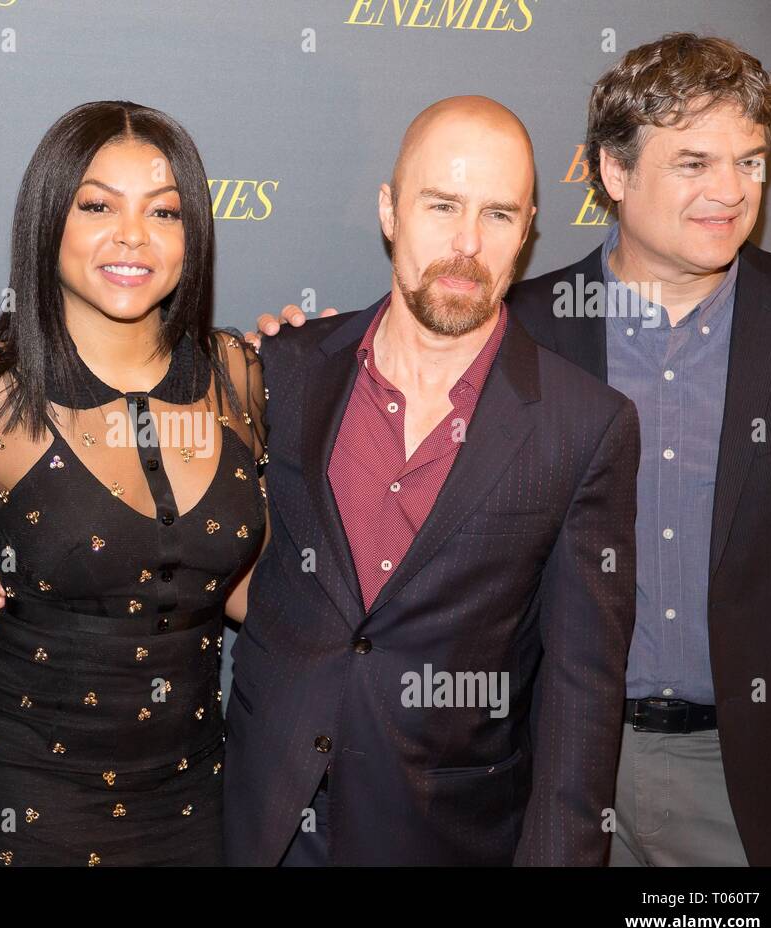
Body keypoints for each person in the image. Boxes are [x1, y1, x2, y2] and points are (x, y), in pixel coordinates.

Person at [261, 35, 771, 866]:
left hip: (748, 776)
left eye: (749, 161)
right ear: (613, 176)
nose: (730, 192)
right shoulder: (516, 325)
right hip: (528, 767)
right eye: (695, 162)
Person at [231, 96, 639, 865]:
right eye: (442, 205)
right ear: (390, 211)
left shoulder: (585, 427)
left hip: (447, 833)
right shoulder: (281, 369)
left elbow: (581, 697)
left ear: (527, 231)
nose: (466, 243)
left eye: (498, 214)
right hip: (263, 818)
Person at [0, 101, 267, 866]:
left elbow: (249, 589)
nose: (133, 236)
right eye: (97, 205)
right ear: (49, 219)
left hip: (193, 797)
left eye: (165, 212)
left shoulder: (235, 372)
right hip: (25, 796)